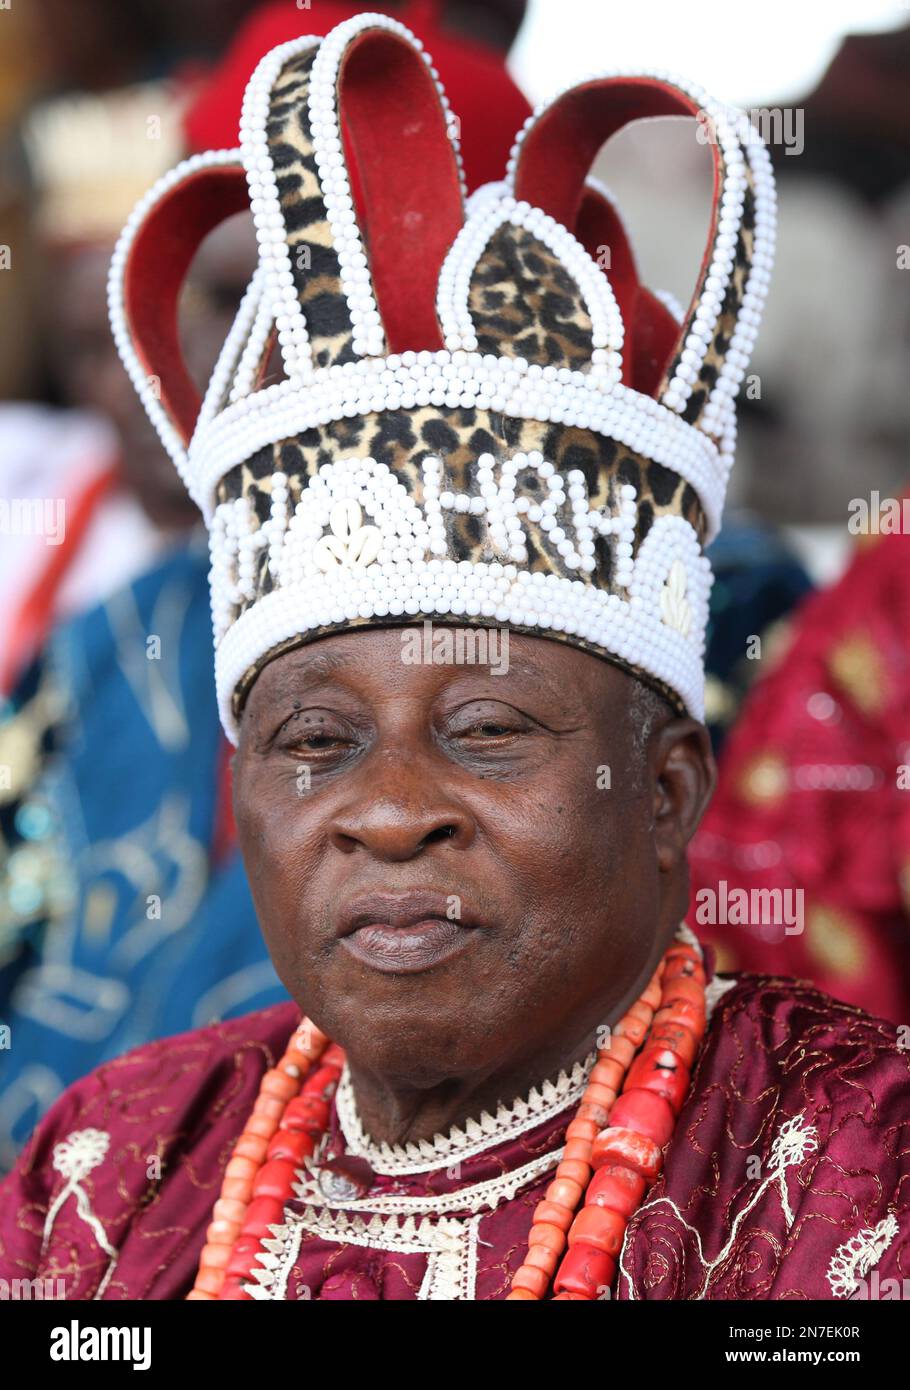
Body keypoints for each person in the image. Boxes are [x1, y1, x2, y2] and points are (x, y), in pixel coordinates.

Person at [1, 13, 907, 1303]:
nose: (387, 814)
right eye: (314, 741)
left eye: (488, 729)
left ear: (667, 792)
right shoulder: (106, 1170)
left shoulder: (849, 1169)